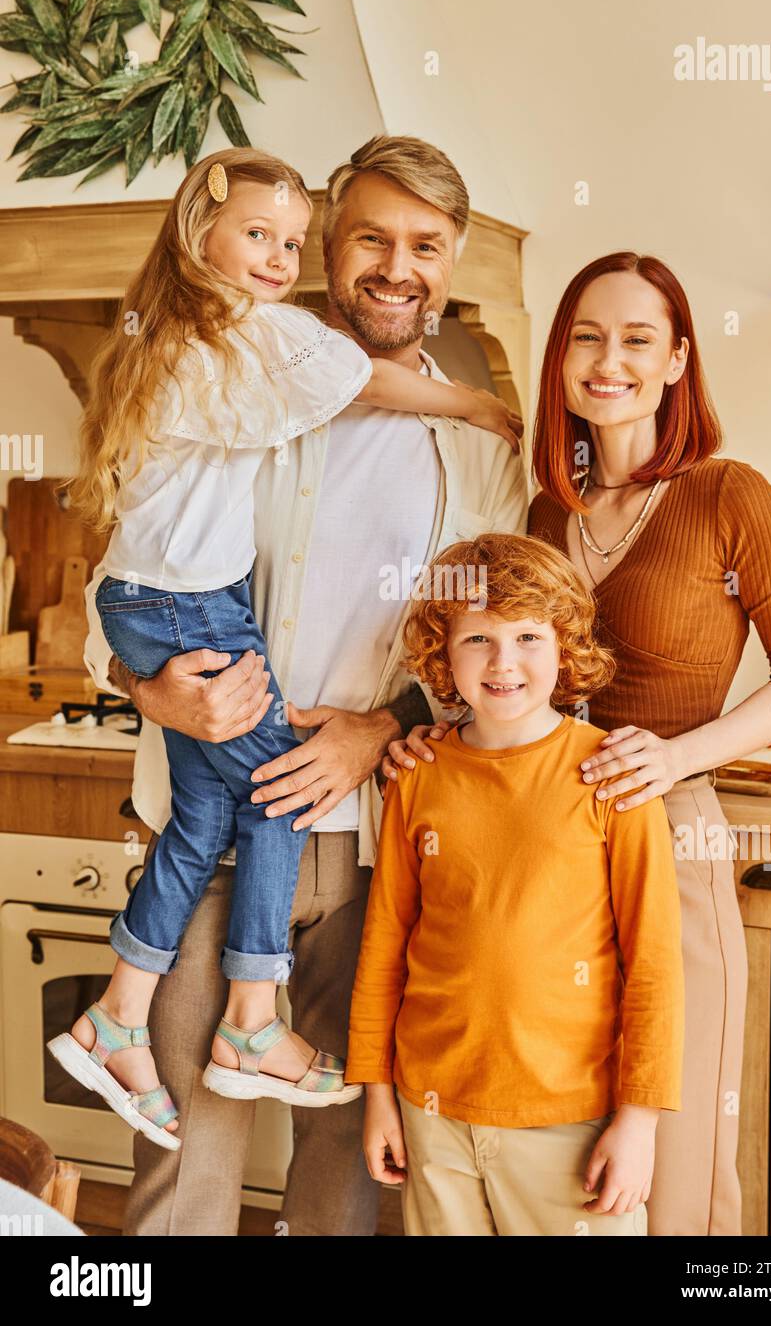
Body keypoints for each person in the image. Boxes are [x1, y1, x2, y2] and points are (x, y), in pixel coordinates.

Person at [82, 136, 528, 1233]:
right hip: (216, 835)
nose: (395, 266)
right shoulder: (236, 378)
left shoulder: (482, 458)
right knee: (184, 1142)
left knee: (349, 1150)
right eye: (370, 236)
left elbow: (495, 658)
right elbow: (123, 581)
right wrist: (152, 692)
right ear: (328, 246)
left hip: (378, 841)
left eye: (424, 245)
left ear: (452, 259)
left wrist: (380, 727)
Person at [383, 251, 771, 1236]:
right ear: (558, 358)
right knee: (569, 1147)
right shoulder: (546, 505)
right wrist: (432, 736)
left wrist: (674, 758)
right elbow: (498, 659)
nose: (607, 359)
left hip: (663, 823)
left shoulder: (728, 495)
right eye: (586, 335)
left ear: (676, 360)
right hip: (536, 830)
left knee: (670, 1138)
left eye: (636, 338)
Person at [346, 532, 685, 1236]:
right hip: (432, 1114)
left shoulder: (614, 776)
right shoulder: (418, 776)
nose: (504, 663)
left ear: (565, 647)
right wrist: (378, 1093)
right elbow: (383, 946)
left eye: (529, 636)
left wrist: (640, 1123)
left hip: (570, 1122)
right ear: (444, 656)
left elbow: (653, 964)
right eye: (478, 641)